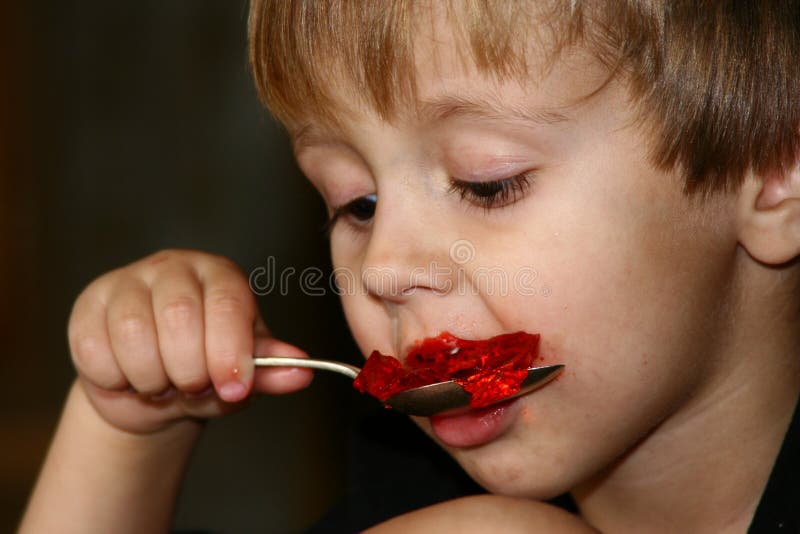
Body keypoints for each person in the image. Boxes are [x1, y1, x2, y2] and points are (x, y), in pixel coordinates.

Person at [20, 1, 800, 532]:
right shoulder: (407, 492)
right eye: (356, 204)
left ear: (772, 170)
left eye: (485, 184)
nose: (384, 268)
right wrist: (129, 428)